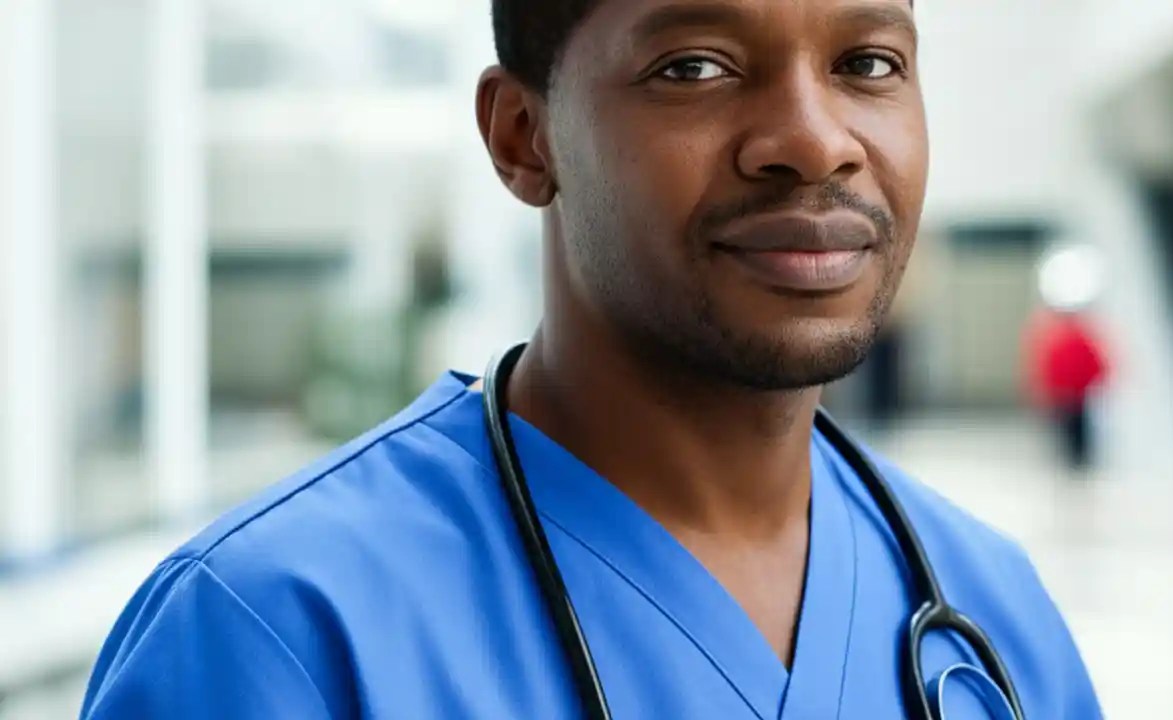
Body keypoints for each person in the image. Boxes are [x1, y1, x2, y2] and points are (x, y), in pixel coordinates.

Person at [81, 1, 1103, 717]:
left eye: (866, 64)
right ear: (524, 137)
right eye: (692, 66)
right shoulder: (278, 632)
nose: (810, 139)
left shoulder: (992, 612)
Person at [1022, 306, 1109, 469]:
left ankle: (1079, 457)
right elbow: (1049, 368)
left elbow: (1093, 363)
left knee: (1077, 426)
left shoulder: (1070, 339)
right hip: (1065, 394)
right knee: (1068, 426)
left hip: (1076, 394)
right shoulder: (1059, 340)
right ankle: (1073, 458)